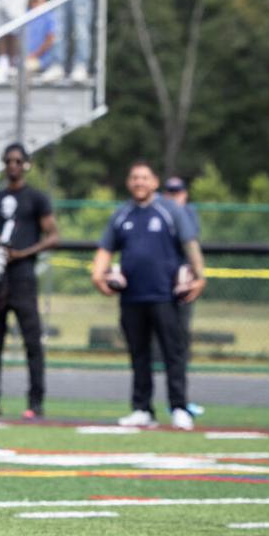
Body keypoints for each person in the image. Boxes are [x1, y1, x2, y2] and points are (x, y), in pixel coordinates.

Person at [91, 161, 207, 430]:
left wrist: (200, 276)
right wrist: (97, 275)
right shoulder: (122, 214)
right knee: (138, 355)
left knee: (173, 354)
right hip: (132, 297)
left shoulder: (170, 211)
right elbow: (105, 249)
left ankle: (179, 407)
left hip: (165, 296)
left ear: (154, 182)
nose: (139, 182)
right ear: (128, 182)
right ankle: (142, 408)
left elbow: (190, 243)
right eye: (134, 177)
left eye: (144, 177)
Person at [0, 144, 59, 418]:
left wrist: (23, 253)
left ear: (26, 164)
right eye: (8, 161)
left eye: (18, 161)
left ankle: (35, 402)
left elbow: (53, 236)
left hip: (23, 277)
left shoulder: (36, 198)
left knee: (32, 342)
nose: (13, 166)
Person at [161, 175, 202, 370]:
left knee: (182, 323)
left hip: (183, 277)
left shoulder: (188, 213)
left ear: (184, 194)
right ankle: (159, 361)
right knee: (160, 322)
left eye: (177, 193)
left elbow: (189, 239)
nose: (173, 197)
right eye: (170, 193)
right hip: (162, 277)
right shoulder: (158, 212)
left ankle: (181, 362)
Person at [25, 0, 61, 82]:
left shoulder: (50, 16)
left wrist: (33, 55)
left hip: (42, 60)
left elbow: (50, 39)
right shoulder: (26, 15)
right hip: (27, 58)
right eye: (32, 0)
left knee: (25, 67)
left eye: (37, 0)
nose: (34, 3)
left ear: (44, 0)